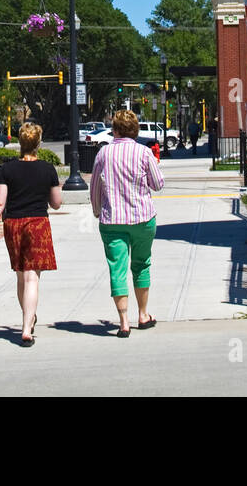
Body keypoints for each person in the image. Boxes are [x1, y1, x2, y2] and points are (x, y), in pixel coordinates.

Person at [0, 122, 62, 347]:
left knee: (20, 275)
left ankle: (28, 318)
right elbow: (56, 203)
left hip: (13, 224)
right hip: (37, 224)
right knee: (32, 277)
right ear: (38, 143)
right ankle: (27, 328)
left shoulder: (7, 170)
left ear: (20, 142)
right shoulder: (47, 168)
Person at [90, 109, 165, 337]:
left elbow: (95, 187)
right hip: (142, 218)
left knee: (117, 269)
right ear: (135, 130)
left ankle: (123, 321)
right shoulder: (143, 153)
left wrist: (96, 210)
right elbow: (158, 184)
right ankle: (143, 315)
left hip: (112, 219)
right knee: (142, 264)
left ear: (114, 129)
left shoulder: (103, 154)